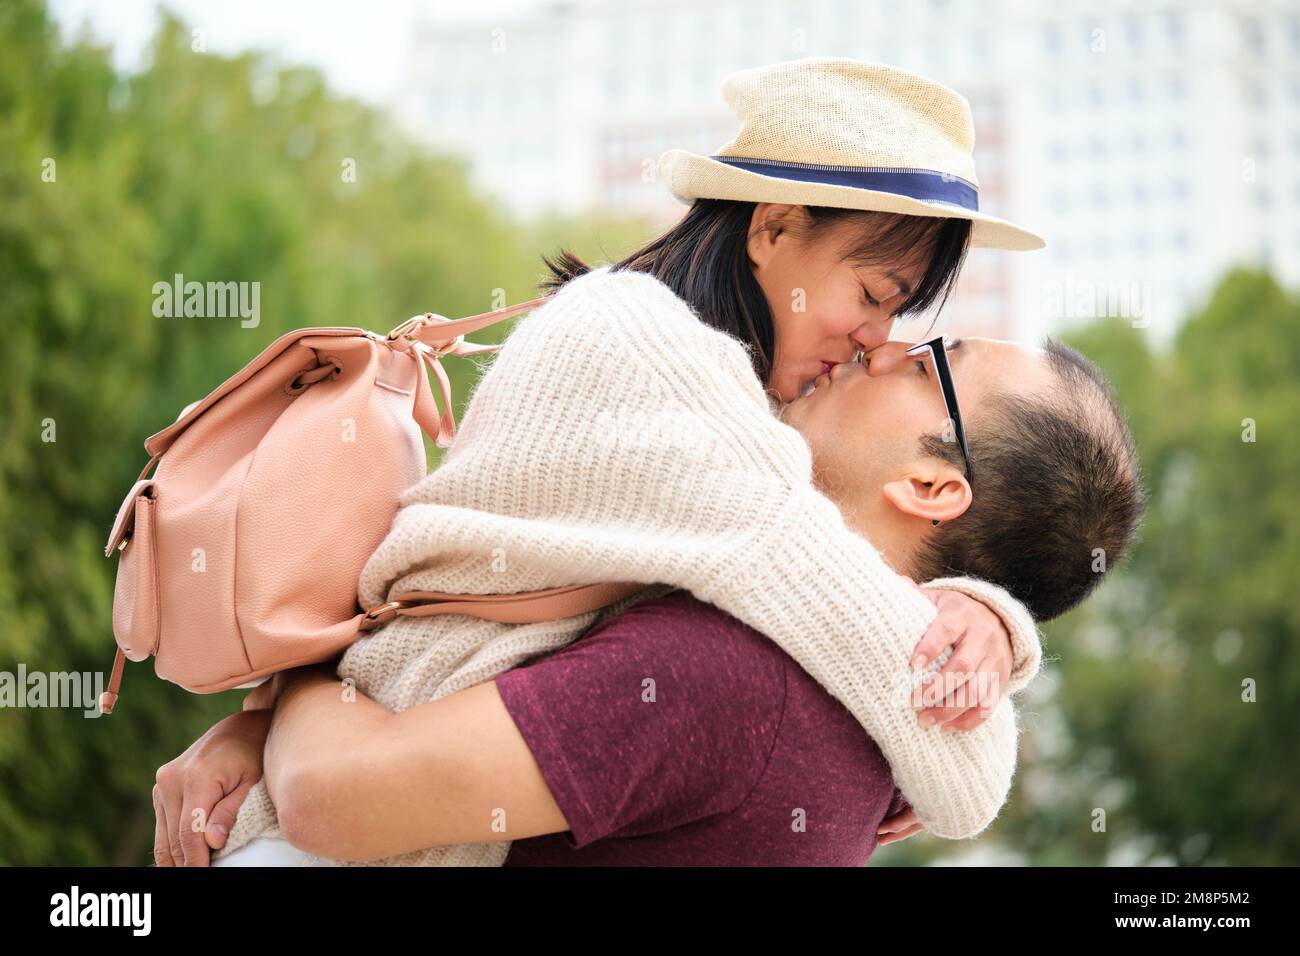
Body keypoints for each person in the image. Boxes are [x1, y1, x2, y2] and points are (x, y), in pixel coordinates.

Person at [156, 57, 1065, 866]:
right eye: (874, 296)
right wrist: (978, 643)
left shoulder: (730, 405)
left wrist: (975, 609)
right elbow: (963, 771)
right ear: (776, 229)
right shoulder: (642, 348)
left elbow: (813, 567)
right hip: (322, 835)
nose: (876, 343)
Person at [180, 330, 1142, 866]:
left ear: (932, 488)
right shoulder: (826, 672)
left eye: (933, 361)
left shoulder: (736, 677)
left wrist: (298, 674)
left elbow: (332, 795)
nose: (883, 343)